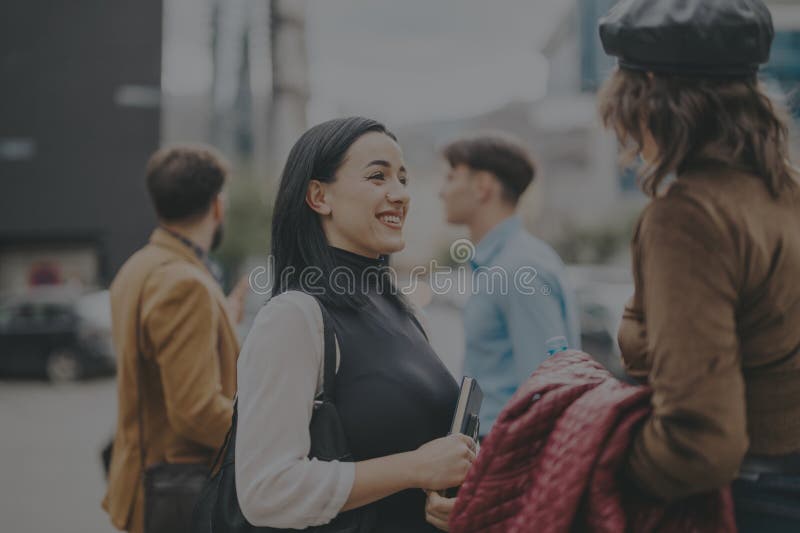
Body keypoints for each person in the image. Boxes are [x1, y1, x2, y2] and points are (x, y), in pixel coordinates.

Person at [598, 0, 800, 530]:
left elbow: (700, 443)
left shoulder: (688, 218)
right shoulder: (787, 193)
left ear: (648, 94)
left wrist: (592, 473)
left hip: (745, 505)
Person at [235, 117, 475, 532]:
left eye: (402, 178)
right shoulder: (294, 317)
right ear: (318, 196)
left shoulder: (403, 309)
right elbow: (265, 491)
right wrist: (415, 468)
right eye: (377, 177)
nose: (400, 194)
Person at [103, 145, 246, 533]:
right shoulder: (186, 284)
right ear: (216, 206)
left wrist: (223, 325)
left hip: (142, 484)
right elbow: (195, 413)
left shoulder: (138, 267)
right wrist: (263, 439)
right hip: (176, 497)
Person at [438, 133, 581, 438]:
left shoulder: (519, 268)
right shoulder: (504, 262)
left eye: (451, 178)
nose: (442, 191)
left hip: (510, 458)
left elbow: (547, 392)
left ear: (482, 186)